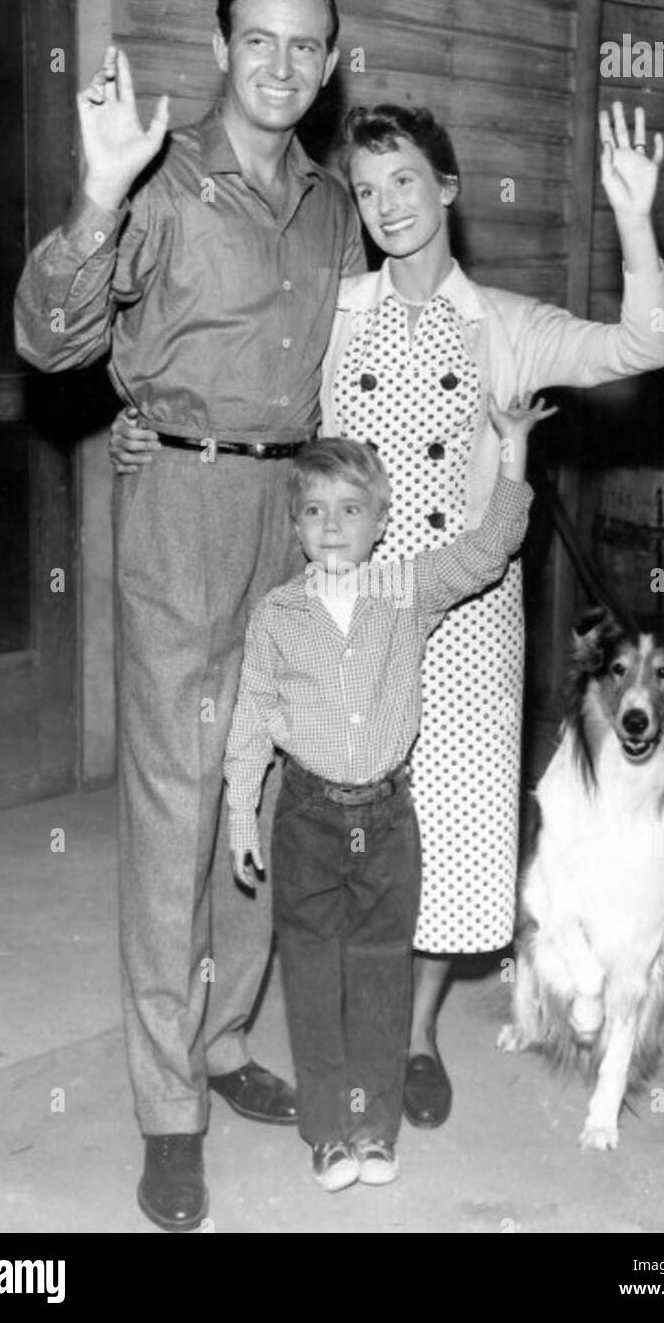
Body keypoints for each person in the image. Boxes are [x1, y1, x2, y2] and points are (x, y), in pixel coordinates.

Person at [112, 97, 664, 1130]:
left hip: (460, 614)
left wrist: (633, 217)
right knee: (337, 826)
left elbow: (640, 344)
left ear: (448, 186)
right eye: (364, 191)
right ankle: (330, 1031)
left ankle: (413, 1032)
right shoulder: (336, 306)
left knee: (449, 840)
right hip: (344, 612)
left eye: (404, 180)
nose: (384, 207)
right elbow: (241, 378)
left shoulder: (503, 322)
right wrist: (143, 419)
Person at [14, 0, 363, 1232]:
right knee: (173, 807)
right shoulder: (158, 182)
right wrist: (99, 195)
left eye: (303, 47)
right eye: (257, 41)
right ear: (222, 49)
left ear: (329, 63)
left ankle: (220, 1039)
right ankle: (170, 1111)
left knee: (265, 785)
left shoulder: (331, 209)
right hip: (182, 510)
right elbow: (51, 340)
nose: (279, 66)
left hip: (296, 514)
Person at [223, 388, 553, 1190]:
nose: (330, 525)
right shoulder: (275, 615)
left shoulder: (408, 590)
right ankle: (328, 1132)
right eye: (312, 510)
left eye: (349, 509)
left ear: (381, 522)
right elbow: (252, 715)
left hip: (388, 817)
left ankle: (373, 1130)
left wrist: (513, 447)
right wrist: (241, 814)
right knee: (311, 973)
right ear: (295, 524)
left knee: (377, 971)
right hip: (304, 817)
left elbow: (490, 548)